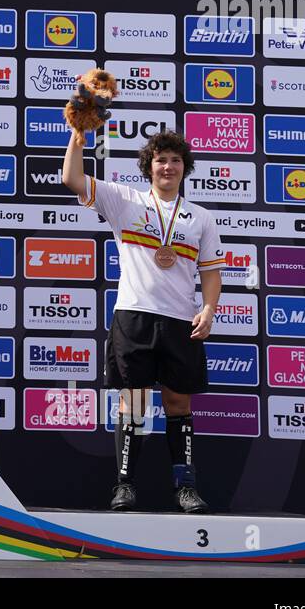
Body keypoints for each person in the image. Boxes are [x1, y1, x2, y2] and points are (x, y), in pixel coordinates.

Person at [62, 127, 223, 513]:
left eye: (176, 160)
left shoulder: (200, 218)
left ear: (186, 168)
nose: (168, 167)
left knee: (177, 403)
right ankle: (124, 485)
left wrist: (210, 308)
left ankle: (185, 487)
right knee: (131, 404)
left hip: (180, 321)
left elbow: (211, 272)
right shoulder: (125, 201)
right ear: (148, 167)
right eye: (161, 160)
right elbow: (71, 178)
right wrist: (77, 138)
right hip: (133, 317)